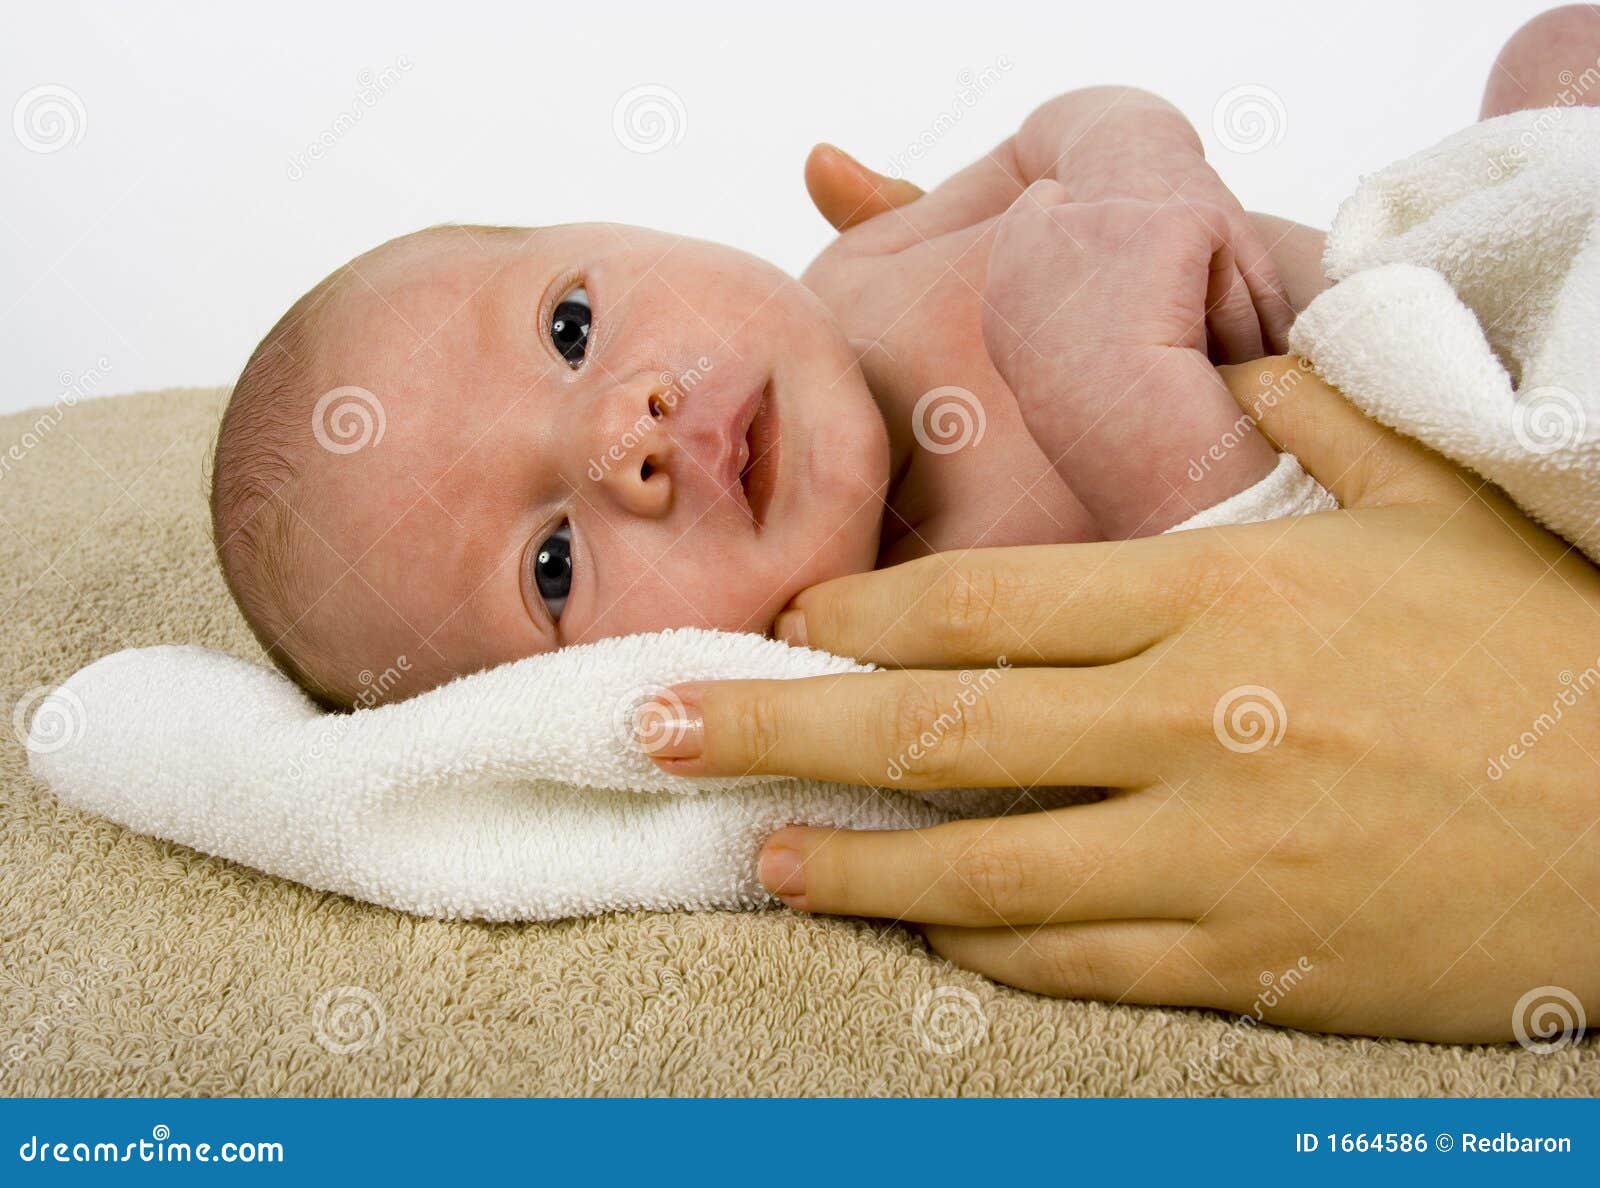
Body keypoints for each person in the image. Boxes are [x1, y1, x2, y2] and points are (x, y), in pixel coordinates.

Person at [633, 5, 1600, 1043]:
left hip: (1455, 286)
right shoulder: (920, 645)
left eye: (571, 326)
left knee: (1556, 56)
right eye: (553, 564)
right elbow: (1307, 632)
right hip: (1498, 499)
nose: (631, 438)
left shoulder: (862, 270)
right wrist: (1123, 401)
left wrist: (1139, 167)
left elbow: (1057, 132)